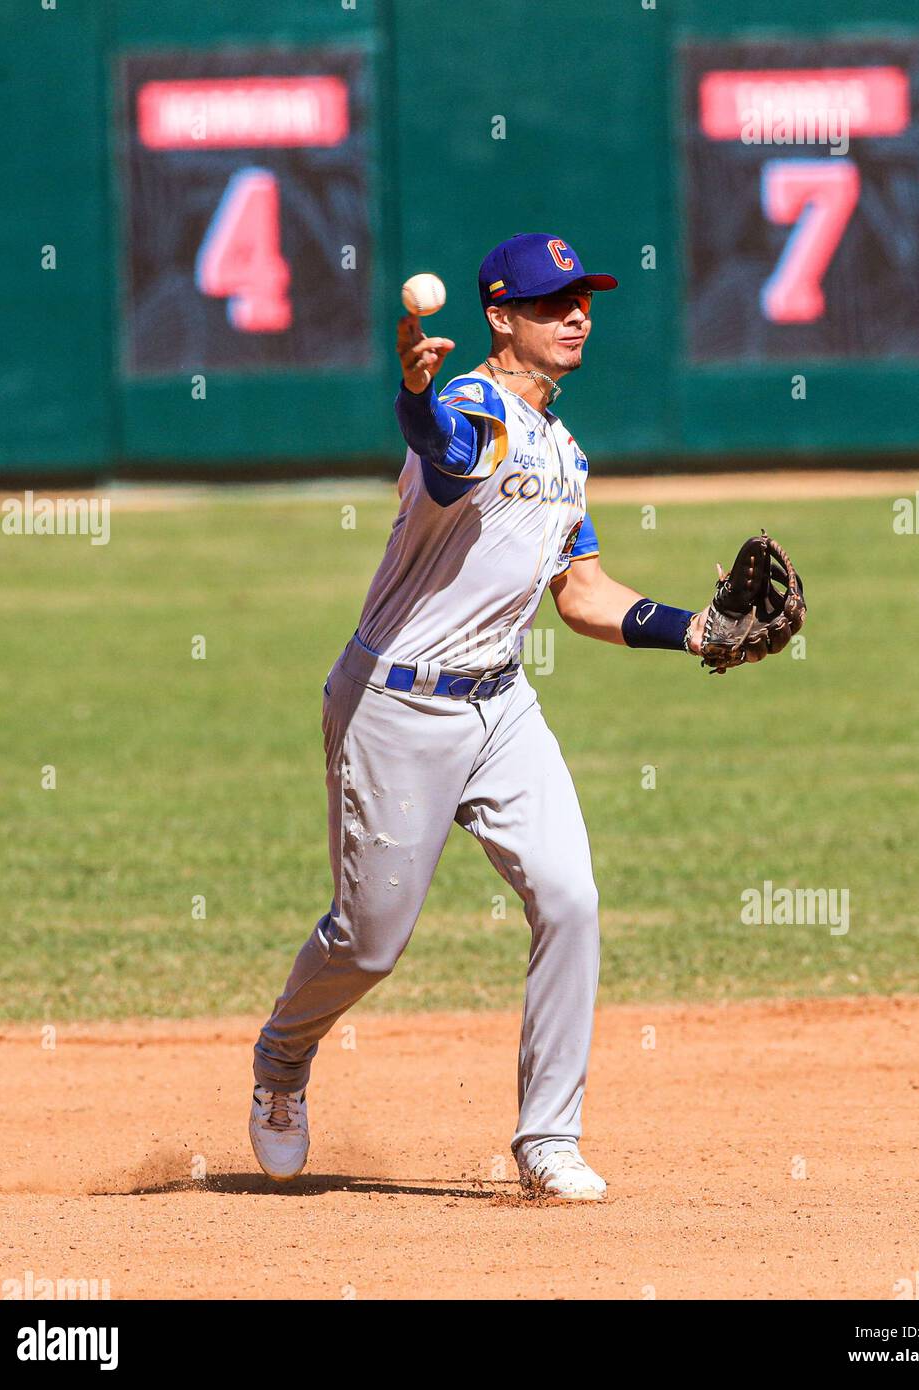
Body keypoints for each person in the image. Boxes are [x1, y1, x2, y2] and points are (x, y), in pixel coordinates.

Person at [249, 233, 712, 1200]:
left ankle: (547, 1138)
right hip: (396, 706)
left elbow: (581, 595)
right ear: (501, 319)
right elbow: (450, 461)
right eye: (551, 304)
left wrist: (697, 632)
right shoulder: (475, 410)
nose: (576, 314)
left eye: (582, 298)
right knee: (371, 941)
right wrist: (415, 396)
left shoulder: (564, 449)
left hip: (502, 706)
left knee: (572, 897)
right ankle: (283, 1061)